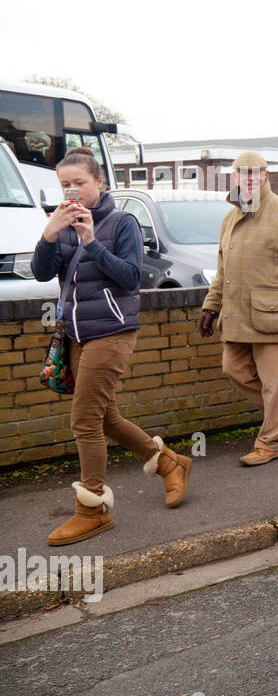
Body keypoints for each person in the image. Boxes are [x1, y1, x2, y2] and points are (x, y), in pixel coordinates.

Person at [32, 147, 195, 545]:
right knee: (105, 418)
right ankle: (169, 462)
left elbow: (129, 277)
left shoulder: (122, 222)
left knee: (84, 420)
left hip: (113, 331)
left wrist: (91, 241)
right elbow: (40, 274)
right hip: (76, 333)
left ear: (99, 183)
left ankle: (93, 509)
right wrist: (49, 234)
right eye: (64, 185)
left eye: (79, 184)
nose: (72, 192)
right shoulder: (62, 224)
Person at [199, 151, 278, 466]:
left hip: (273, 316)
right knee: (233, 369)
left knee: (273, 383)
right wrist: (210, 307)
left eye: (255, 173)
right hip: (236, 314)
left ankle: (271, 442)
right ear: (235, 178)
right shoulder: (230, 218)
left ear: (265, 176)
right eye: (243, 174)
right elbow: (223, 269)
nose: (249, 179)